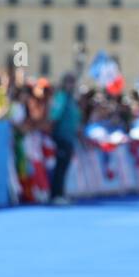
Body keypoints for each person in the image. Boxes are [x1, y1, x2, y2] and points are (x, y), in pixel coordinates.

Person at [48, 73, 82, 204]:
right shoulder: (61, 97)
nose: (71, 85)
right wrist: (52, 133)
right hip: (61, 135)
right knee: (60, 166)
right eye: (69, 82)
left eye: (72, 82)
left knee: (65, 166)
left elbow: (76, 118)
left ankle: (61, 193)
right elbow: (55, 116)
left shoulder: (71, 99)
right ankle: (55, 195)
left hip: (69, 137)